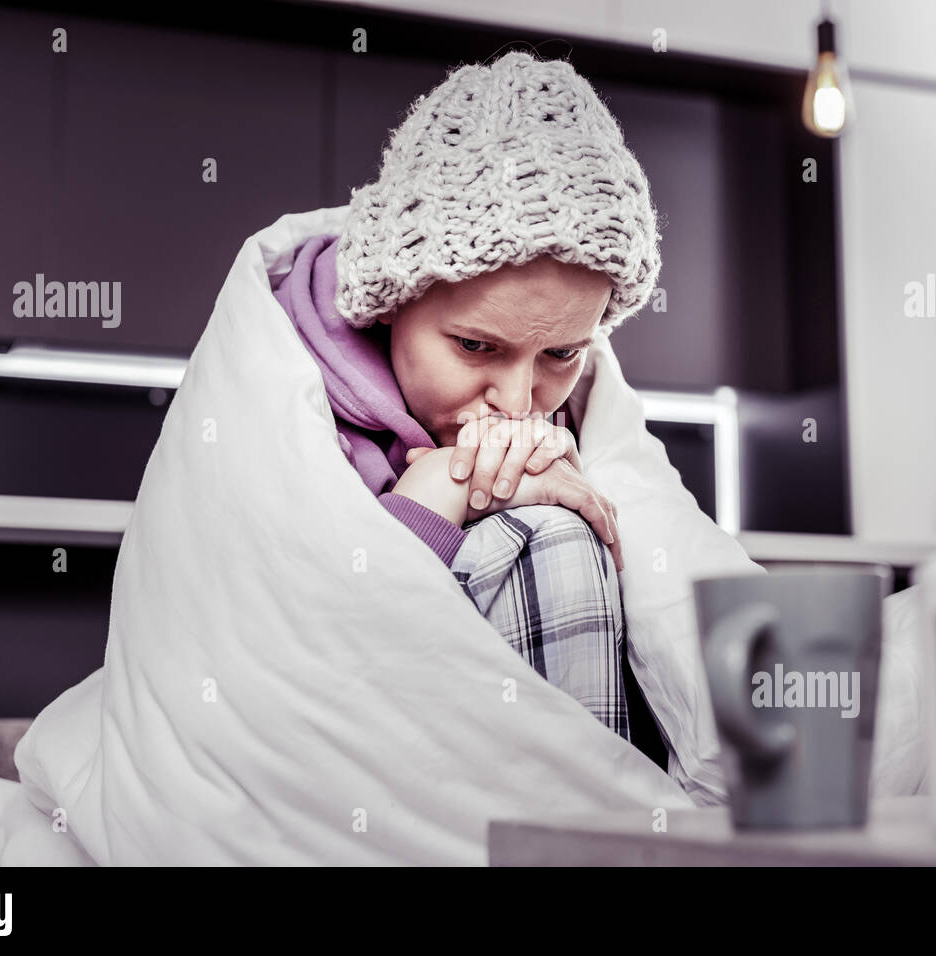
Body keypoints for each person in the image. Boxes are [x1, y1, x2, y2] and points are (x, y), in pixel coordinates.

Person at [273, 49, 668, 763]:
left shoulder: (583, 408)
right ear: (391, 305)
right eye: (478, 347)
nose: (520, 404)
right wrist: (433, 495)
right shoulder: (279, 394)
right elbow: (302, 696)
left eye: (560, 355)